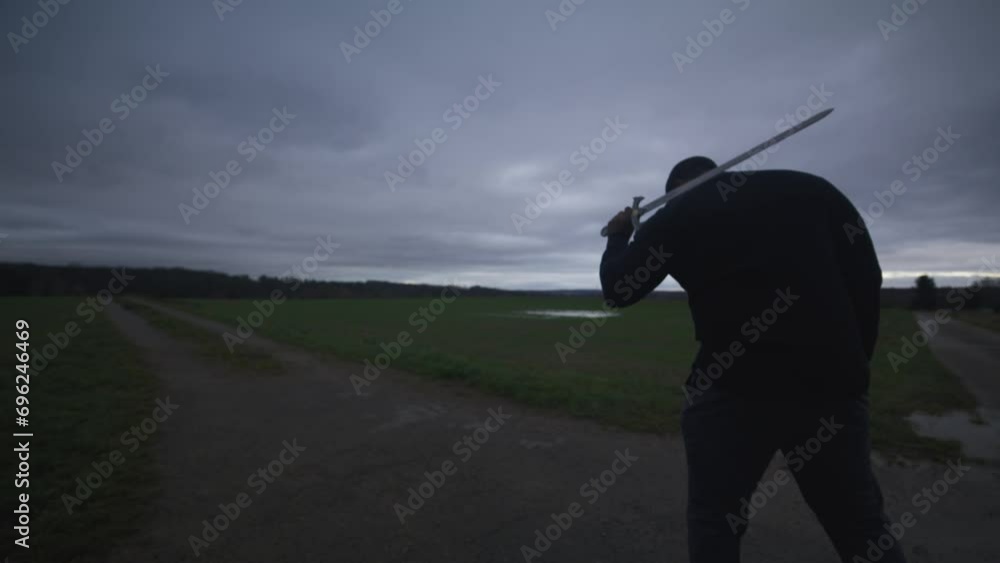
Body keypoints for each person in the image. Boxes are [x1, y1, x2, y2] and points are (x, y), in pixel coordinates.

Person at [599, 157, 904, 562]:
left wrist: (620, 236)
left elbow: (619, 288)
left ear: (673, 189)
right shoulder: (814, 189)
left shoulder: (679, 212)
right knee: (860, 525)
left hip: (730, 389)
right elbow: (867, 279)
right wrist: (852, 364)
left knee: (716, 520)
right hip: (831, 388)